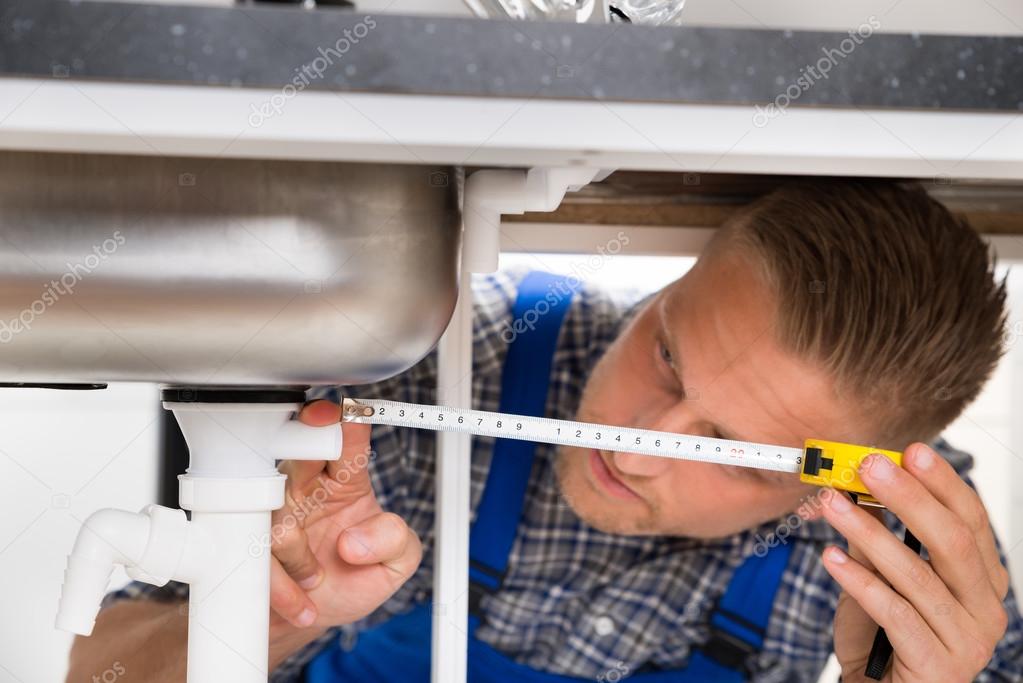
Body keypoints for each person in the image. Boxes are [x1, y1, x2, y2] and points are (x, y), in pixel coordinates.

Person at [67, 180, 1022, 682]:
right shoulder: (431, 364)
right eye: (667, 355)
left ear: (840, 484)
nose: (637, 445)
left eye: (734, 452)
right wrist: (264, 613)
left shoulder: (910, 550)